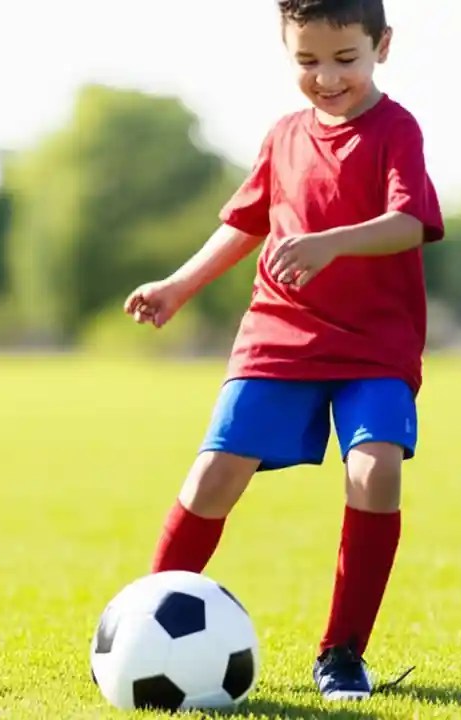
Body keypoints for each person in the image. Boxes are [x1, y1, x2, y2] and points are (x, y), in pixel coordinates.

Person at [122, 0, 444, 702]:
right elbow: (244, 225)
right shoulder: (283, 135)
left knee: (375, 470)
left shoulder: (396, 129)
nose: (326, 77)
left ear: (381, 46)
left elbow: (409, 222)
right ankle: (144, 627)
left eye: (344, 60)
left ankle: (342, 653)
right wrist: (177, 286)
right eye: (307, 61)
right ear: (286, 49)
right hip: (281, 333)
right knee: (212, 477)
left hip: (375, 345)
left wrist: (330, 243)